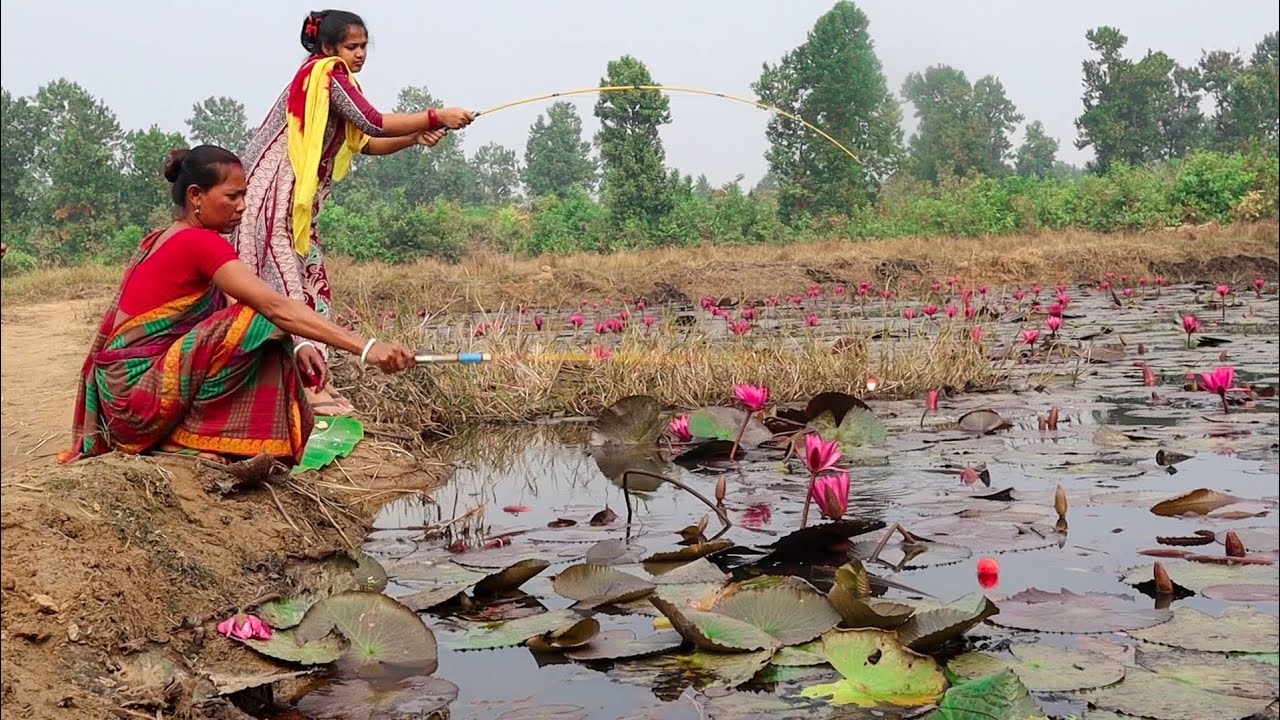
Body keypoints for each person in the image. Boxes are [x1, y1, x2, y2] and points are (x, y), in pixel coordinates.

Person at [59, 145, 417, 467]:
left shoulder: (170, 236)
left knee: (263, 325)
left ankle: (189, 434)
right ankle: (182, 438)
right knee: (262, 323)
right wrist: (367, 348)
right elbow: (273, 307)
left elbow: (236, 303)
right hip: (134, 405)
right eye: (233, 196)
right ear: (196, 195)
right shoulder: (199, 243)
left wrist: (302, 344)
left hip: (119, 399)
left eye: (245, 195)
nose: (243, 206)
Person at [234, 8, 475, 416]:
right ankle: (305, 390)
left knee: (314, 287)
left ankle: (315, 380)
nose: (360, 53)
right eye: (352, 46)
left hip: (297, 212)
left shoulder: (334, 83)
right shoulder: (325, 74)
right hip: (269, 203)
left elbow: (364, 141)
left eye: (364, 46)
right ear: (328, 47)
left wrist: (416, 136)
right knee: (289, 291)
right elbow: (374, 121)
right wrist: (436, 114)